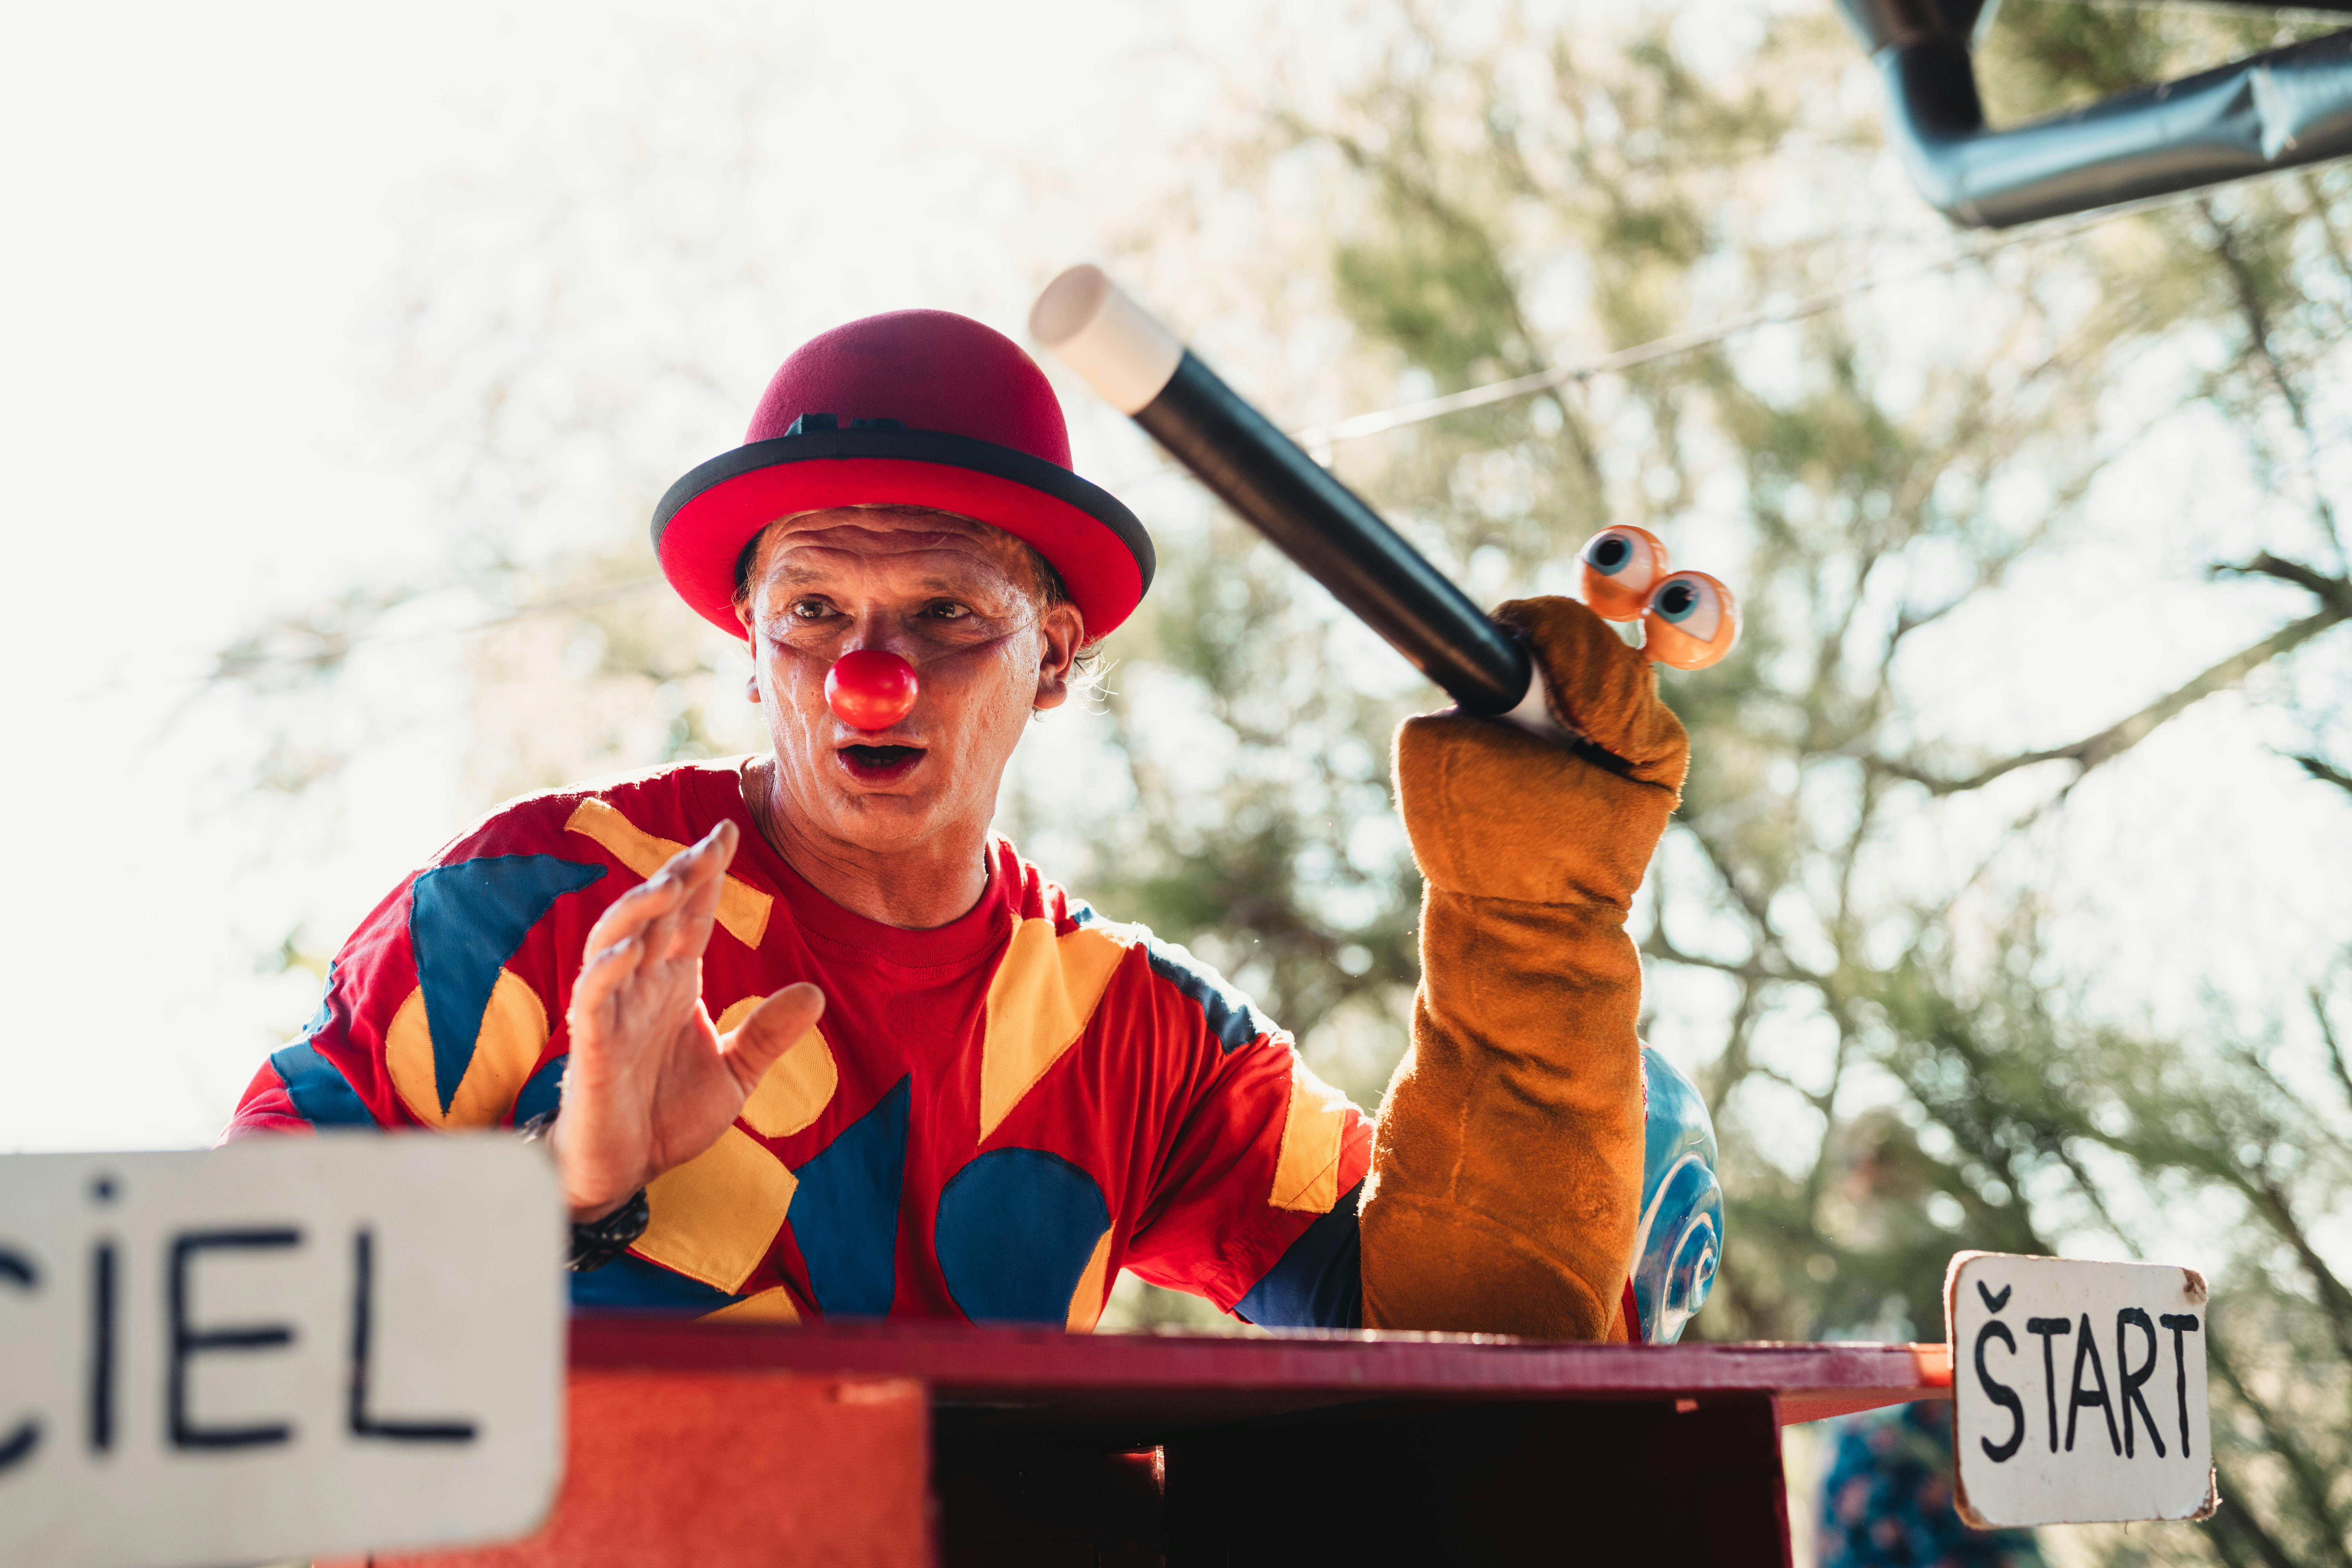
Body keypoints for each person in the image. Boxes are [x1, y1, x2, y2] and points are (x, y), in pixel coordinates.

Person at [227, 308, 1715, 1339]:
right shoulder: (533, 912)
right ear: (749, 643)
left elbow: (1448, 1327)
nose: (869, 677)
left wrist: (1533, 912)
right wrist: (574, 1184)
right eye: (814, 610)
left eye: (948, 610)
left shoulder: (1142, 1038)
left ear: (1055, 659)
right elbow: (240, 1312)